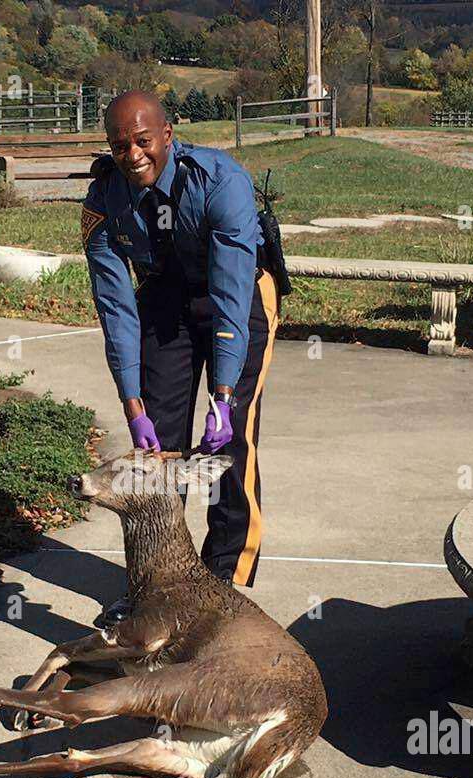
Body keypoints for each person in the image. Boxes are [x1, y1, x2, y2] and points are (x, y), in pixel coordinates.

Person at [82, 90, 279, 623]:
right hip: (165, 298)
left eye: (143, 141)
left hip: (237, 297)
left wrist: (222, 393)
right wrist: (132, 405)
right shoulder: (103, 199)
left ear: (166, 135)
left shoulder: (222, 182)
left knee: (231, 437)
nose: (132, 155)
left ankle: (224, 583)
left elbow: (231, 295)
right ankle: (156, 584)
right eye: (119, 145)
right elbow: (116, 308)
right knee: (158, 452)